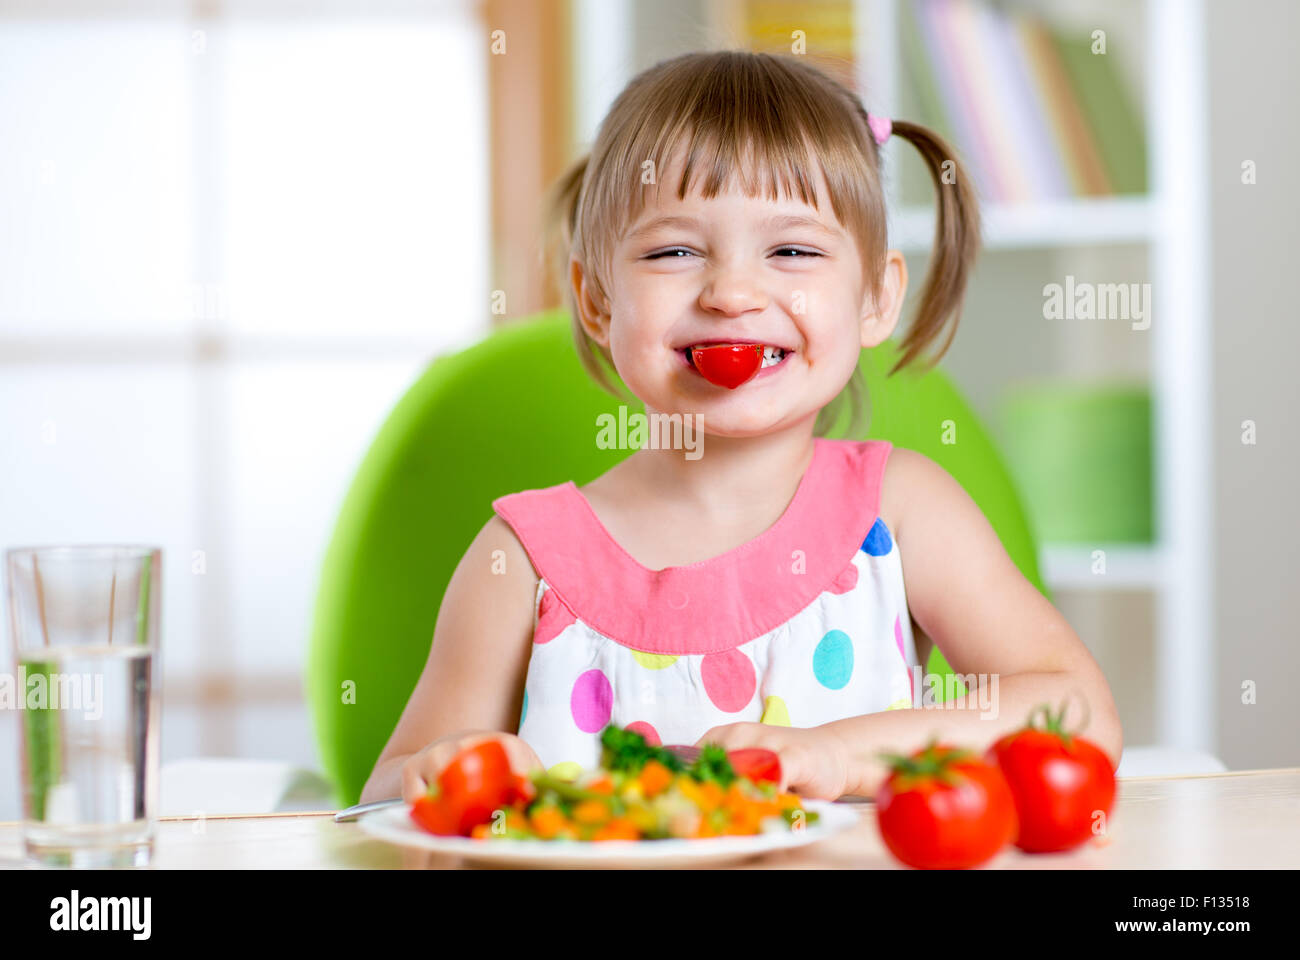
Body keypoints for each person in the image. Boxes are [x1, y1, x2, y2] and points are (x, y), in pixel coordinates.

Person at [361, 50, 1122, 806]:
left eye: (792, 250)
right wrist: (439, 777)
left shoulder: (900, 512)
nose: (732, 293)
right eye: (674, 251)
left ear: (875, 298)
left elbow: (1076, 715)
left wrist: (839, 755)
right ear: (595, 300)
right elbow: (383, 798)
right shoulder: (522, 560)